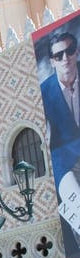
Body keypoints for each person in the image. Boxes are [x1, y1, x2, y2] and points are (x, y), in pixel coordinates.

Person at [40, 30, 80, 190]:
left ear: (76, 52)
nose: (65, 59)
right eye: (58, 55)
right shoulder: (44, 92)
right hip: (69, 167)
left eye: (69, 51)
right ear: (52, 61)